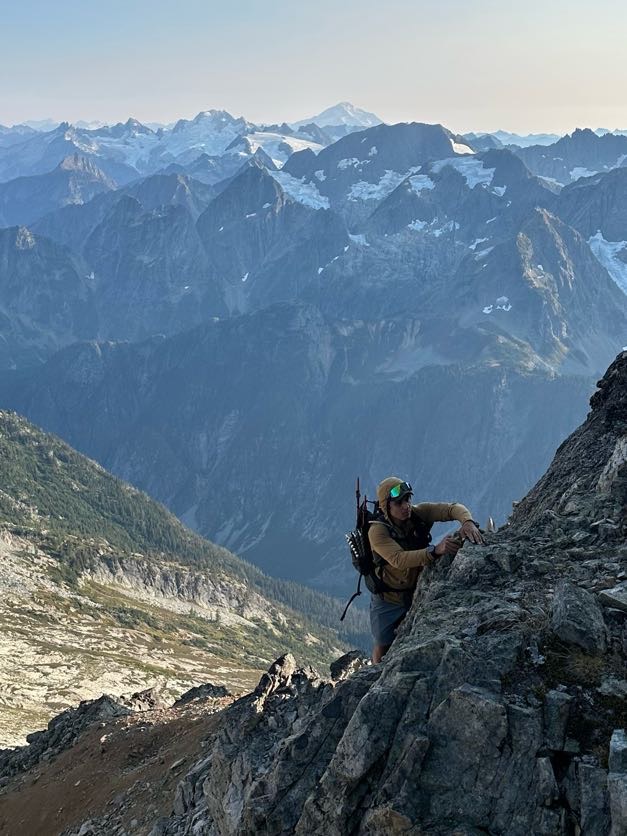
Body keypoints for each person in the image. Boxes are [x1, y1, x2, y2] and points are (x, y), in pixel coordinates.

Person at [368, 476, 484, 663]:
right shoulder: (377, 531)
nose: (406, 506)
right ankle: (374, 676)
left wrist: (467, 521)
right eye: (399, 502)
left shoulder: (418, 513)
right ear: (386, 506)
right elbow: (398, 559)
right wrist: (435, 551)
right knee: (383, 643)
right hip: (389, 598)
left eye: (408, 499)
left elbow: (451, 509)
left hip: (417, 590)